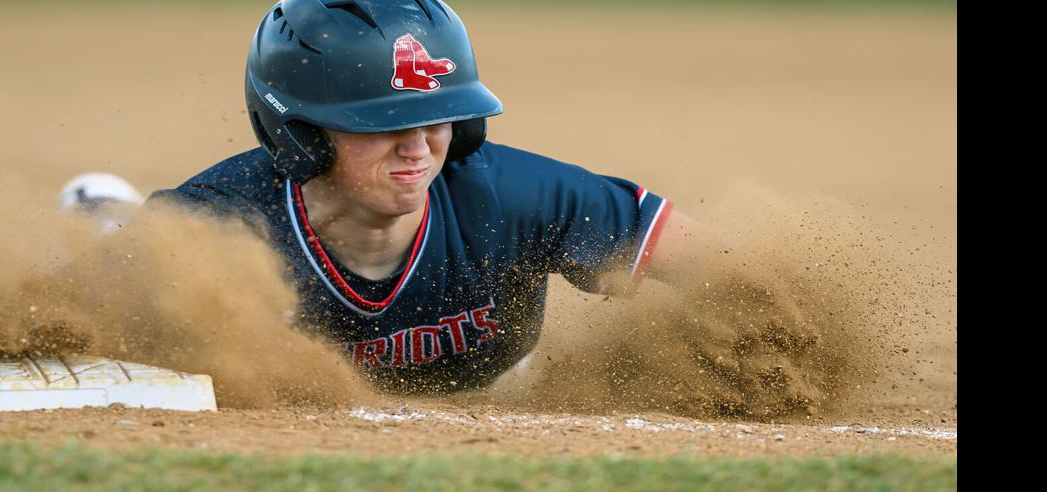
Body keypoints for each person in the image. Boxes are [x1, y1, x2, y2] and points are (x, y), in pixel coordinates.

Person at [146, 0, 713, 393]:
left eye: (439, 119)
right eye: (382, 124)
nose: (418, 149)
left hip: (489, 382)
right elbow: (87, 321)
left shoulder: (513, 197)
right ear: (301, 134)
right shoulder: (216, 227)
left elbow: (721, 268)